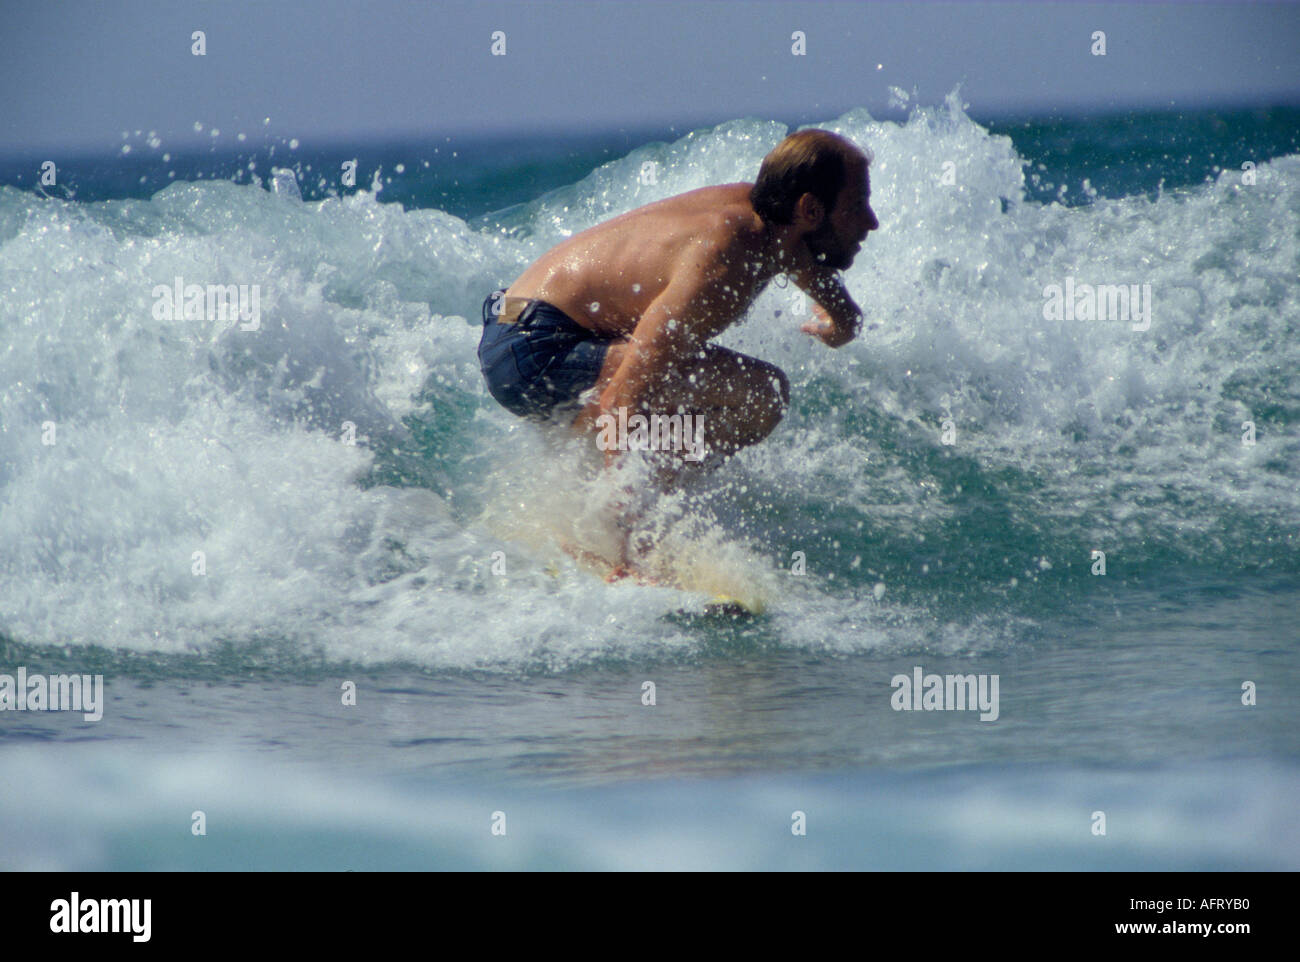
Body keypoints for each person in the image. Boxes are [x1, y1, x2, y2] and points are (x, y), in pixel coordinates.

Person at [477, 129, 879, 575]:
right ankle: (622, 544)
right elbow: (623, 400)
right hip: (532, 349)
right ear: (810, 209)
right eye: (857, 206)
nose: (871, 221)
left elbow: (798, 259)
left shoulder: (765, 217)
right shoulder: (722, 262)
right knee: (759, 394)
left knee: (735, 394)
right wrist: (633, 551)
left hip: (516, 318)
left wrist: (844, 318)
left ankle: (608, 515)